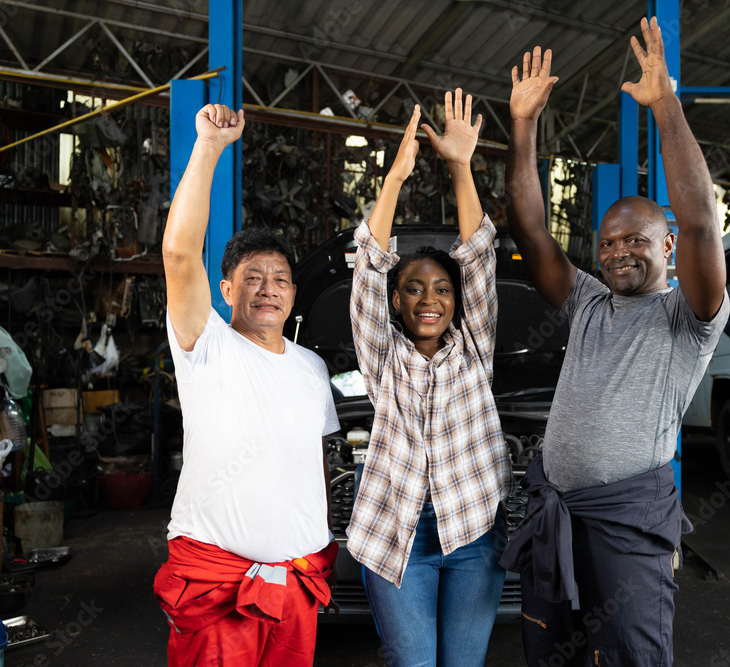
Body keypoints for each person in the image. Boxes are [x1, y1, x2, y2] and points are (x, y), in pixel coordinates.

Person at [499, 17, 729, 667]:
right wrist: (522, 127)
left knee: (629, 653)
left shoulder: (690, 316)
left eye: (635, 239)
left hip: (628, 528)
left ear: (668, 246)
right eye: (607, 241)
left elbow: (701, 218)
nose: (617, 251)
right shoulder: (590, 300)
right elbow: (531, 225)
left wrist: (666, 108)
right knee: (552, 650)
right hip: (557, 514)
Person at [153, 103, 340, 667]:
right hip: (218, 583)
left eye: (280, 278)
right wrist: (208, 147)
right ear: (226, 290)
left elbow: (317, 462)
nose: (269, 288)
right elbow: (179, 253)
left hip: (296, 586)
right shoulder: (206, 344)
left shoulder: (312, 368)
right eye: (252, 278)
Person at [348, 91, 513, 667]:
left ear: (456, 303)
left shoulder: (474, 348)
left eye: (442, 289)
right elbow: (368, 263)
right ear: (397, 300)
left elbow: (479, 256)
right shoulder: (381, 355)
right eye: (415, 287)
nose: (429, 298)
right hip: (397, 534)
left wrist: (460, 166)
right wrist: (393, 180)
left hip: (471, 534)